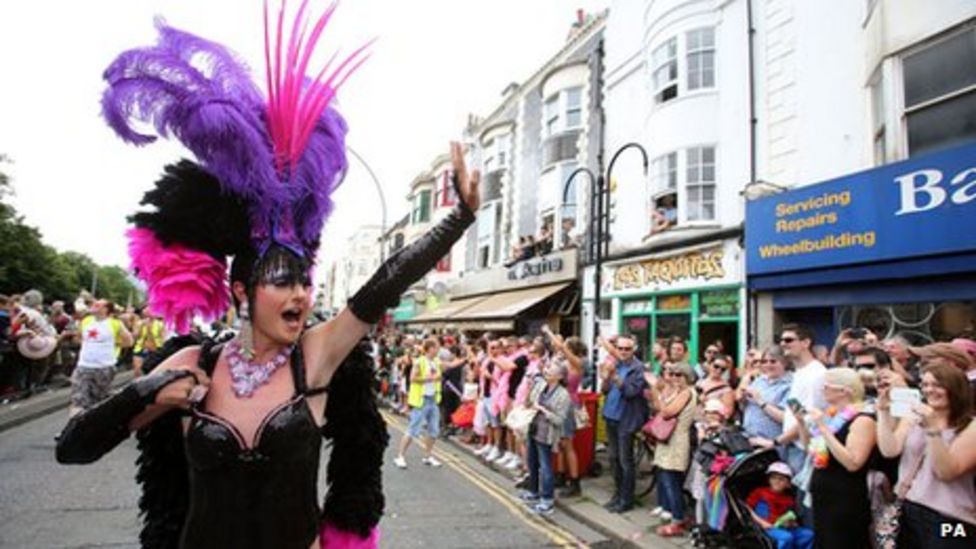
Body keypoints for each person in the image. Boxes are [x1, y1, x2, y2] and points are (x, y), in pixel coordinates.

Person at [54, 8, 481, 547]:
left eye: (304, 280)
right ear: (241, 291)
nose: (301, 293)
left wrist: (457, 220)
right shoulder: (192, 365)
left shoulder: (316, 358)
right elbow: (73, 448)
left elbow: (380, 289)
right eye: (283, 281)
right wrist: (147, 393)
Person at [876, 361, 976, 547]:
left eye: (938, 385)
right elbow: (889, 450)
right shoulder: (914, 417)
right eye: (926, 384)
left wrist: (932, 430)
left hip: (948, 518)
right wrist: (882, 411)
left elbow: (946, 472)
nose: (930, 390)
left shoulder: (971, 427)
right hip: (908, 508)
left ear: (955, 388)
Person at [795, 367, 877, 549]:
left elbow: (853, 462)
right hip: (824, 493)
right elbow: (812, 448)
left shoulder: (863, 419)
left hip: (845, 496)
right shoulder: (833, 415)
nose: (822, 390)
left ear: (844, 391)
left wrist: (823, 428)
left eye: (826, 386)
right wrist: (801, 422)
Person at [600, 334, 649, 514]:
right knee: (613, 459)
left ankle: (626, 499)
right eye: (620, 348)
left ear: (633, 349)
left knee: (625, 461)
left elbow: (631, 392)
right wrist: (606, 378)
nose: (623, 352)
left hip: (626, 420)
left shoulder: (639, 369)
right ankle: (618, 494)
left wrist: (616, 379)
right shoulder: (616, 364)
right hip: (611, 416)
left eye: (627, 349)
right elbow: (604, 391)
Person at [647, 362, 697, 536]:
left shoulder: (687, 393)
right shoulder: (678, 391)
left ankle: (677, 520)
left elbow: (667, 412)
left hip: (676, 441)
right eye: (673, 374)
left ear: (688, 377)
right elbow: (658, 408)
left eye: (679, 375)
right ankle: (676, 514)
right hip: (667, 438)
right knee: (666, 478)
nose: (674, 378)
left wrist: (655, 390)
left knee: (672, 482)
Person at [774, 324, 826, 487]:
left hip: (804, 448)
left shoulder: (816, 374)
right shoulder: (800, 372)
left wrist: (777, 441)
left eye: (789, 340)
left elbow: (808, 418)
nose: (783, 344)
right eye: (781, 340)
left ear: (806, 343)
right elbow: (797, 409)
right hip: (793, 445)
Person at [520, 360, 571, 516]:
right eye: (548, 368)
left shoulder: (563, 394)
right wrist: (529, 390)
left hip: (547, 433)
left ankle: (547, 500)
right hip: (533, 429)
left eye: (551, 369)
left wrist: (543, 409)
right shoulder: (541, 385)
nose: (547, 370)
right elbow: (528, 403)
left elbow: (560, 419)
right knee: (532, 462)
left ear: (560, 376)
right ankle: (533, 491)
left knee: (546, 466)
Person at [67, 300, 134, 415]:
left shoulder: (115, 323)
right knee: (78, 398)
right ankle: (75, 426)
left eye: (97, 305)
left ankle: (97, 424)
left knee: (98, 401)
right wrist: (89, 345)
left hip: (104, 367)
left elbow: (129, 342)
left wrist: (111, 345)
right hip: (83, 365)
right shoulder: (86, 321)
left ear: (106, 310)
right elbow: (78, 338)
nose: (93, 306)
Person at [394, 338, 444, 469]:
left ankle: (428, 456)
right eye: (436, 347)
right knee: (412, 429)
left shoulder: (437, 362)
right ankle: (400, 456)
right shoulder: (420, 362)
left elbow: (449, 366)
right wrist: (429, 378)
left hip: (433, 399)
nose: (438, 349)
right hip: (421, 401)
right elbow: (412, 378)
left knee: (434, 430)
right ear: (430, 348)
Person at [746, 462, 814, 549]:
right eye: (773, 478)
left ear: (788, 484)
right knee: (786, 538)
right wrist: (761, 522)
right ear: (769, 480)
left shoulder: (788, 499)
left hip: (782, 526)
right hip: (766, 527)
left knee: (809, 534)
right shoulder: (760, 492)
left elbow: (790, 517)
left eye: (781, 479)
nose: (777, 481)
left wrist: (791, 523)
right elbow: (747, 508)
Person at [740, 346, 791, 445]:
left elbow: (787, 419)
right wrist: (743, 399)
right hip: (749, 440)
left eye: (773, 361)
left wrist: (760, 401)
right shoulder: (759, 380)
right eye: (764, 362)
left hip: (771, 443)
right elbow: (745, 407)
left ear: (784, 363)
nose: (768, 365)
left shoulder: (790, 385)